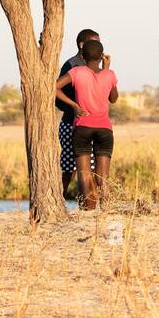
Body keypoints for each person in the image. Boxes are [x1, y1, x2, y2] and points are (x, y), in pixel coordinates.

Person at [55, 38, 118, 210]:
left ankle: (87, 211)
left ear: (83, 55)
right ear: (102, 56)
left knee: (84, 173)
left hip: (82, 127)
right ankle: (106, 209)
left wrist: (74, 105)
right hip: (104, 129)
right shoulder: (110, 74)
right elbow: (113, 98)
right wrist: (107, 70)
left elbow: (55, 87)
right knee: (102, 176)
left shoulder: (77, 72)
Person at [55, 28, 100, 197]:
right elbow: (57, 96)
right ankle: (58, 201)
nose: (98, 46)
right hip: (70, 123)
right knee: (68, 168)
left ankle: (89, 206)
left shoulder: (94, 65)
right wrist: (75, 107)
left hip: (91, 124)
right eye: (94, 42)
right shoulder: (72, 65)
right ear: (82, 45)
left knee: (92, 168)